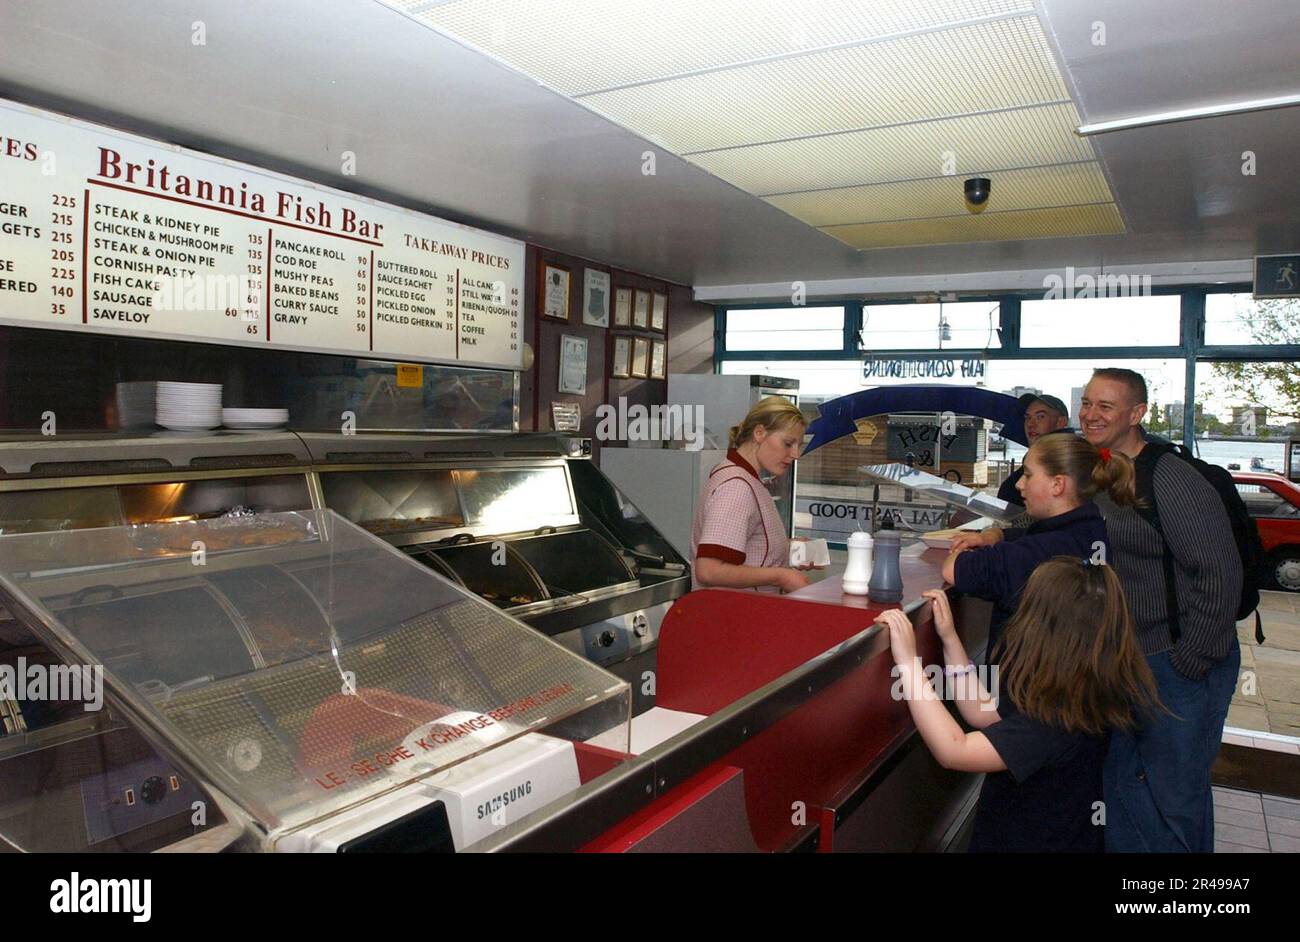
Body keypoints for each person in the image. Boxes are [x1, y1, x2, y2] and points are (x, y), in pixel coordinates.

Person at [877, 562, 1161, 852]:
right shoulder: (1083, 692)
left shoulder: (1053, 722)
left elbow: (954, 750)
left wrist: (909, 664)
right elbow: (981, 711)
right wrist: (950, 639)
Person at [1078, 367, 1242, 853]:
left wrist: (1191, 659)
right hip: (1127, 659)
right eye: (1087, 403)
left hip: (1176, 662)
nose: (1090, 414)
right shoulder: (1101, 469)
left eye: (1105, 406)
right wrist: (999, 532)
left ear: (1137, 414)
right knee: (1125, 786)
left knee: (1175, 797)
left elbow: (1220, 572)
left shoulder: (1169, 476)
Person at [944, 433, 1131, 659]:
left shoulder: (1044, 553)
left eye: (1028, 475)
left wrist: (960, 550)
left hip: (1027, 686)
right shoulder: (1090, 532)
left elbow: (955, 569)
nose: (1019, 484)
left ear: (1057, 484)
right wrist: (995, 535)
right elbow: (1031, 537)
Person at [690, 396, 813, 594]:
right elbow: (709, 571)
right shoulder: (736, 487)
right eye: (788, 443)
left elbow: (746, 548)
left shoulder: (743, 478)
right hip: (730, 617)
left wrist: (788, 549)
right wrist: (781, 576)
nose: (796, 454)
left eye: (799, 445)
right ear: (759, 433)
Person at [997, 393, 1074, 506]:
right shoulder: (1041, 455)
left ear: (1061, 422)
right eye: (1028, 418)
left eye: (1040, 417)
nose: (1030, 424)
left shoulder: (1065, 461)